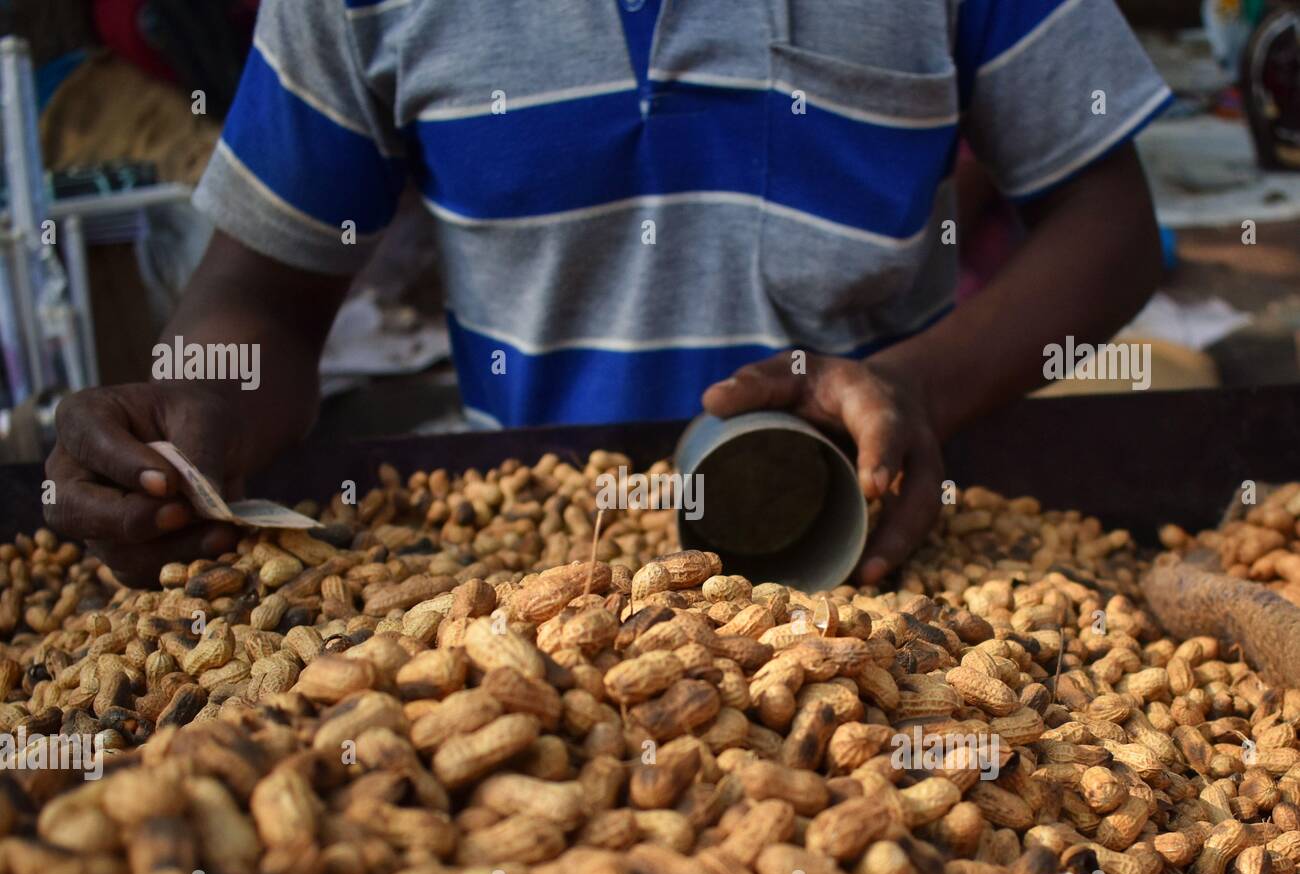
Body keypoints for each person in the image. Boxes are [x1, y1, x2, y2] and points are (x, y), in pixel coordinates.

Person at [45, 0, 1170, 587]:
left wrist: (915, 388)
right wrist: (192, 422)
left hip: (881, 547)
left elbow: (1111, 222)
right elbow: (267, 294)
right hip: (527, 565)